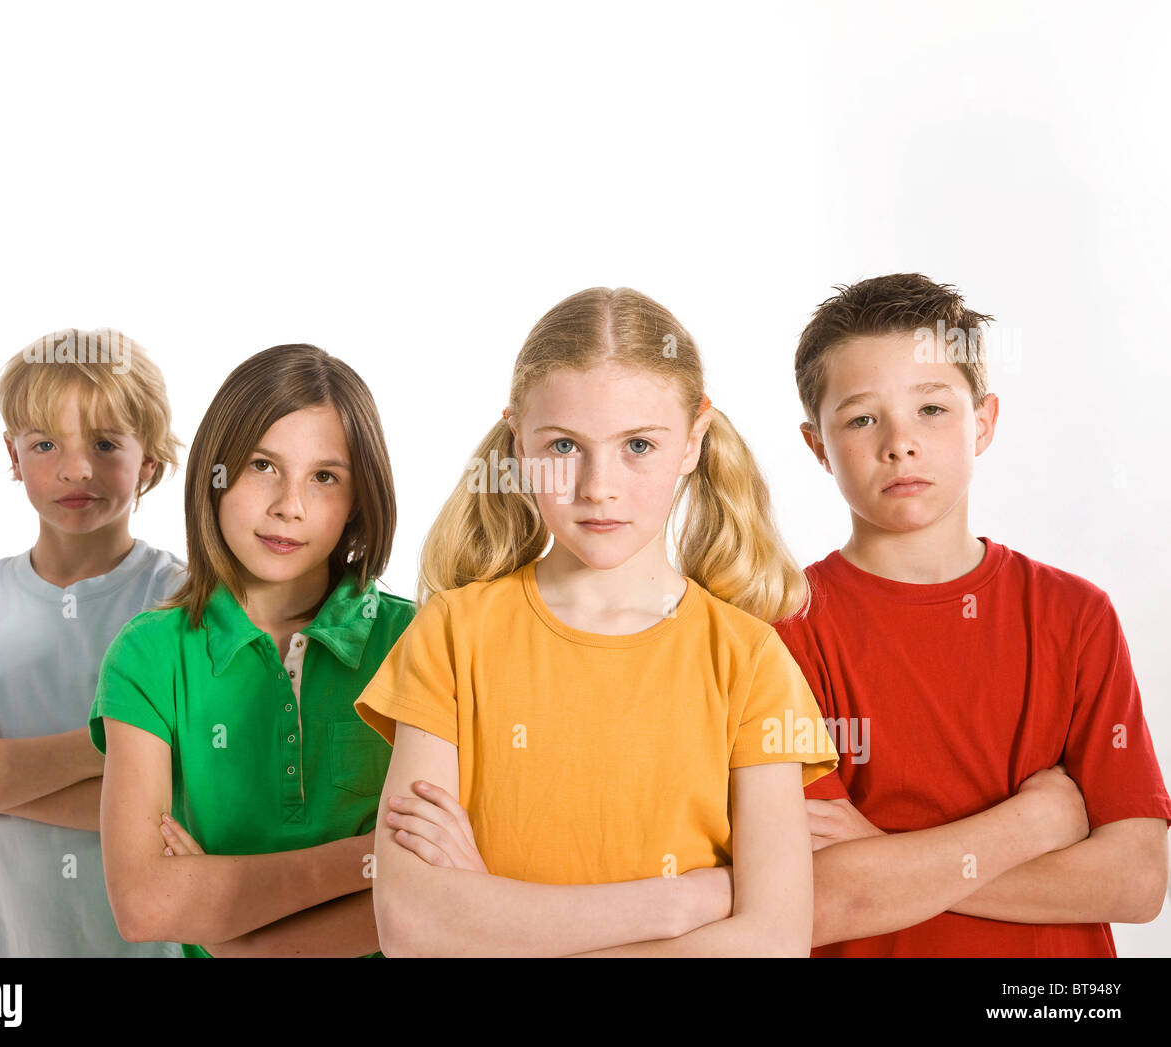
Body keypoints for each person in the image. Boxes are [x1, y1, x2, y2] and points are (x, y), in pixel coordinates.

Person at [355, 286, 838, 956]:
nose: (597, 486)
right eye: (563, 446)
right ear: (518, 439)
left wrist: (495, 919)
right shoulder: (449, 634)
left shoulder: (749, 660)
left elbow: (772, 942)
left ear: (695, 439)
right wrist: (680, 903)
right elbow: (413, 925)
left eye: (638, 444)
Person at [775, 272, 1171, 956]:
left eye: (931, 409)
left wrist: (883, 854)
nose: (899, 442)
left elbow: (1137, 880)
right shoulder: (783, 631)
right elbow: (820, 900)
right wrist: (1035, 821)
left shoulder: (1076, 616)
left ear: (983, 421)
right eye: (862, 417)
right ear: (817, 446)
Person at [90, 344, 414, 957]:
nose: (288, 505)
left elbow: (443, 894)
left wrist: (230, 931)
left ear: (358, 501)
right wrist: (377, 858)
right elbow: (146, 904)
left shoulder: (418, 642)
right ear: (215, 473)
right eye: (263, 465)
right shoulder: (149, 656)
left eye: (325, 477)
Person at [0, 328, 185, 957]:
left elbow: (189, 805)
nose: (76, 468)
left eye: (106, 443)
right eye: (46, 443)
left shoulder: (186, 600)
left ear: (151, 460)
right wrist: (121, 753)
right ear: (13, 454)